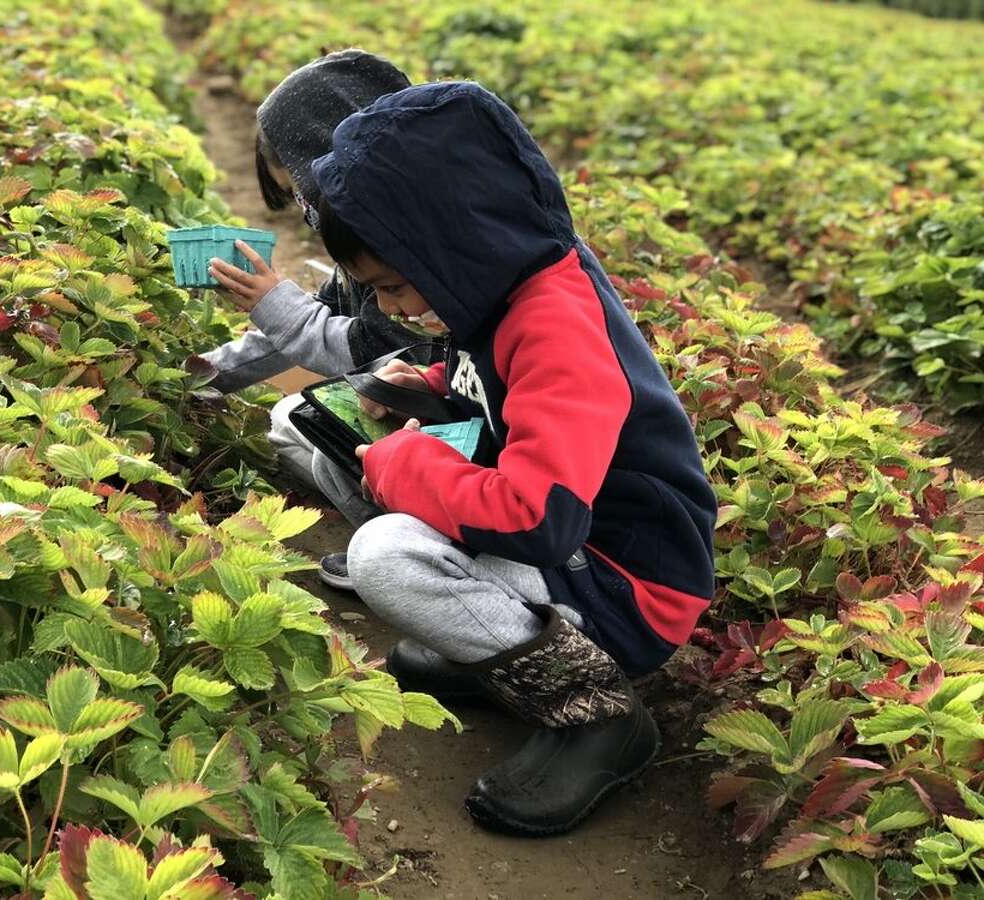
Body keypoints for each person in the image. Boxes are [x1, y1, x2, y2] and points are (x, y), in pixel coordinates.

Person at [306, 81, 718, 836]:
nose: (392, 309)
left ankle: (597, 716)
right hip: (574, 552)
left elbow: (543, 518)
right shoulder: (497, 280)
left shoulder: (558, 325)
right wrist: (425, 389)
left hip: (626, 586)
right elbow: (495, 391)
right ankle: (495, 648)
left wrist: (402, 465)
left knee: (385, 554)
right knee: (331, 443)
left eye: (394, 285)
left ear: (450, 244)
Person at [199, 50, 435, 590]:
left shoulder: (408, 253)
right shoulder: (364, 246)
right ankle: (394, 540)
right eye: (296, 200)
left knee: (297, 415)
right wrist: (201, 376)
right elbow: (305, 326)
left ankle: (403, 557)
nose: (308, 211)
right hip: (415, 419)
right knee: (291, 420)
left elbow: (352, 348)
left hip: (435, 427)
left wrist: (273, 300)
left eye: (308, 192)